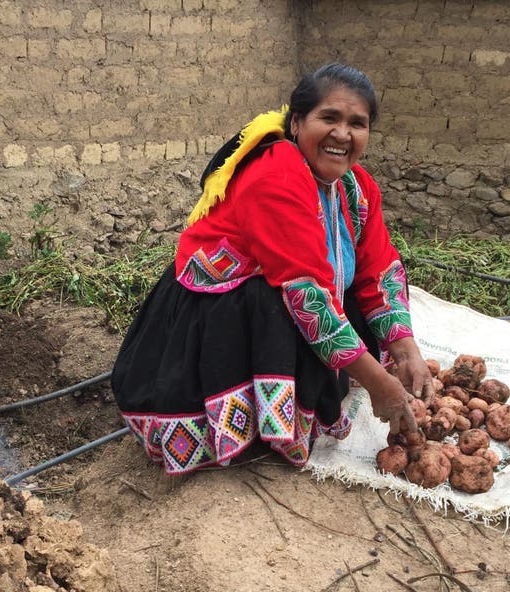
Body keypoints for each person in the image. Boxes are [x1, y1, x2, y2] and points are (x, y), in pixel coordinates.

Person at [112, 63, 433, 475]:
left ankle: (297, 399)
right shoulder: (275, 173)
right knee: (286, 301)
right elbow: (307, 294)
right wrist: (379, 383)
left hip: (281, 298)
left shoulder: (357, 187)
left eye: (358, 123)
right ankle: (247, 423)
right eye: (329, 118)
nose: (343, 134)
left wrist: (406, 351)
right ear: (297, 122)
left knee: (344, 292)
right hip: (215, 316)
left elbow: (379, 266)